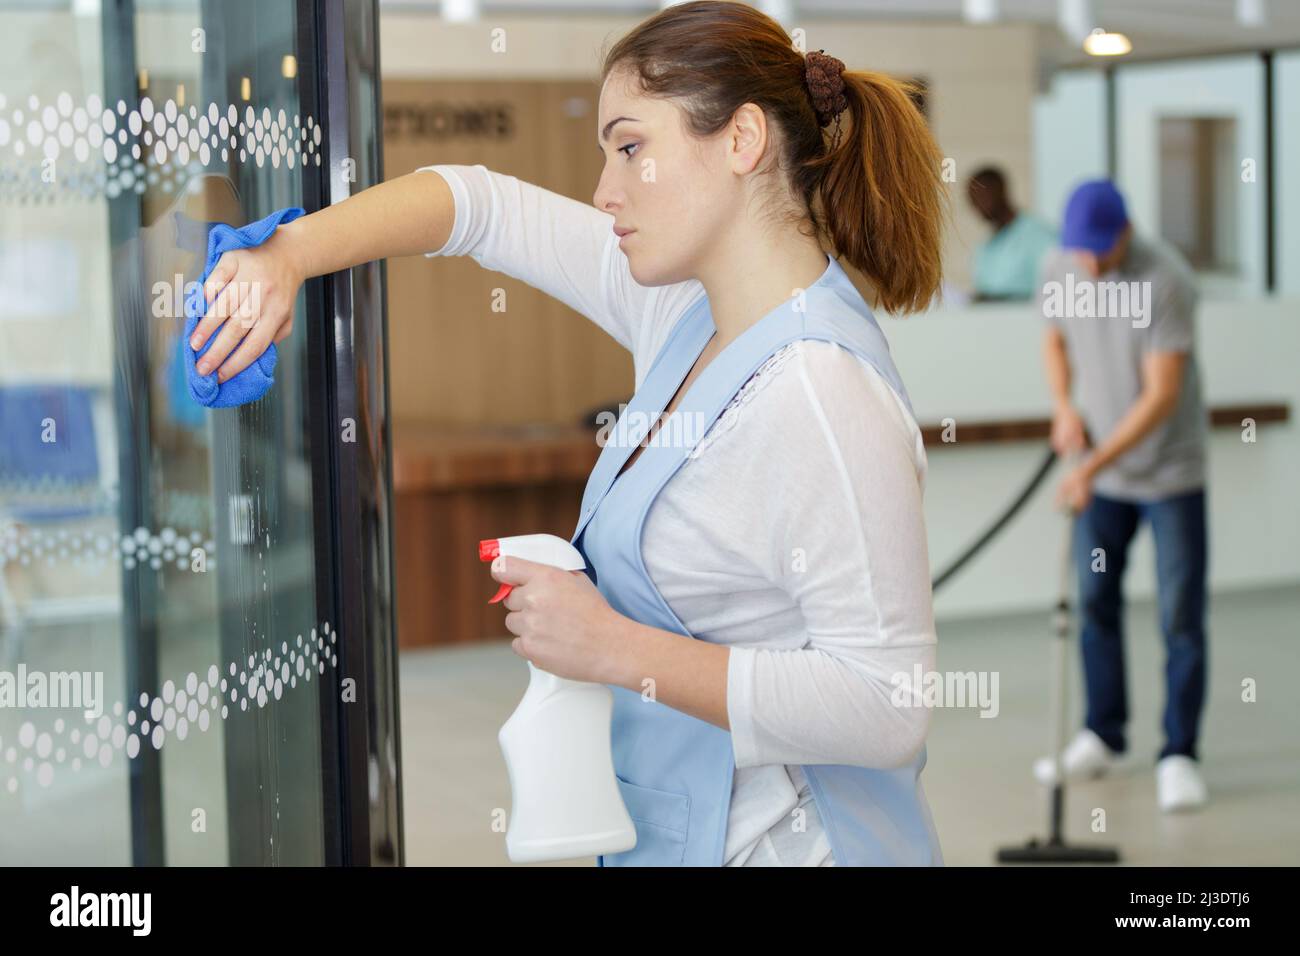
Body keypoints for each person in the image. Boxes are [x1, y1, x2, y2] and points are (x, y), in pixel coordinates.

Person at [187, 0, 947, 864]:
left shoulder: (820, 389)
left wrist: (612, 645)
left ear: (742, 142)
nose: (603, 191)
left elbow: (889, 704)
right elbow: (477, 206)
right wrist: (287, 257)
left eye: (630, 147)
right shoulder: (683, 314)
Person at [1036, 179, 1210, 813]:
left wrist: (1091, 462)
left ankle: (1179, 755)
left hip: (1169, 476)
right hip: (1103, 481)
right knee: (1095, 603)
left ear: (1126, 233)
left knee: (1178, 616)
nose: (1087, 264)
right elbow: (1054, 338)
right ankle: (1103, 735)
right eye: (1079, 251)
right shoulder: (1061, 263)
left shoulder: (1167, 280)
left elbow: (1162, 395)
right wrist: (1062, 407)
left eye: (1099, 252)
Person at [966, 166, 1057, 301]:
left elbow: (1056, 286)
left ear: (1000, 190)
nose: (976, 205)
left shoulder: (1038, 235)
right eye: (972, 199)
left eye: (980, 196)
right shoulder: (985, 248)